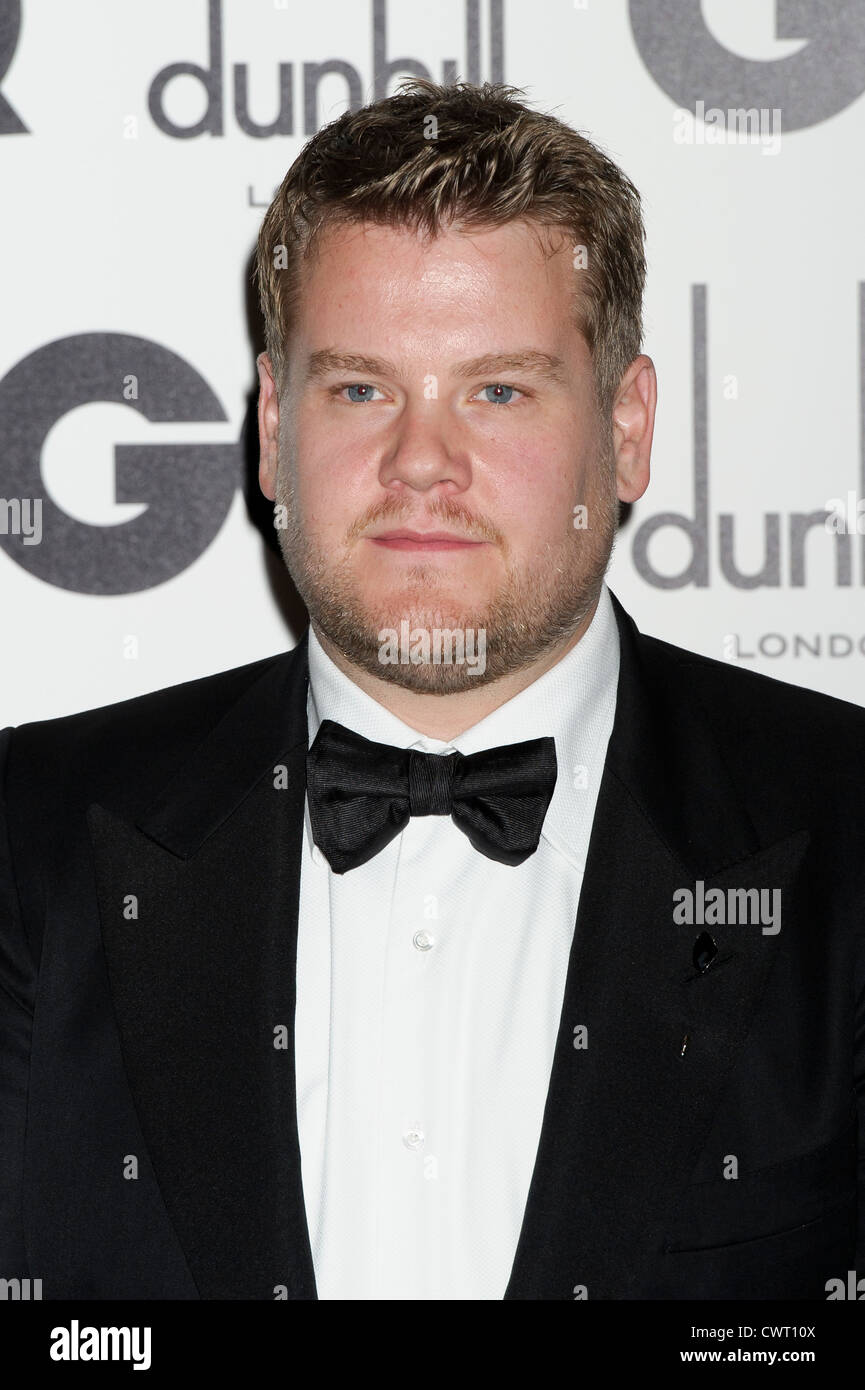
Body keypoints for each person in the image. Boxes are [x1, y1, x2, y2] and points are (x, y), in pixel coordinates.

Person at [1, 79, 863, 1302]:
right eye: (360, 389)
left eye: (496, 390)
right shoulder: (30, 841)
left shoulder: (844, 831)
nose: (421, 463)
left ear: (625, 428)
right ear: (269, 426)